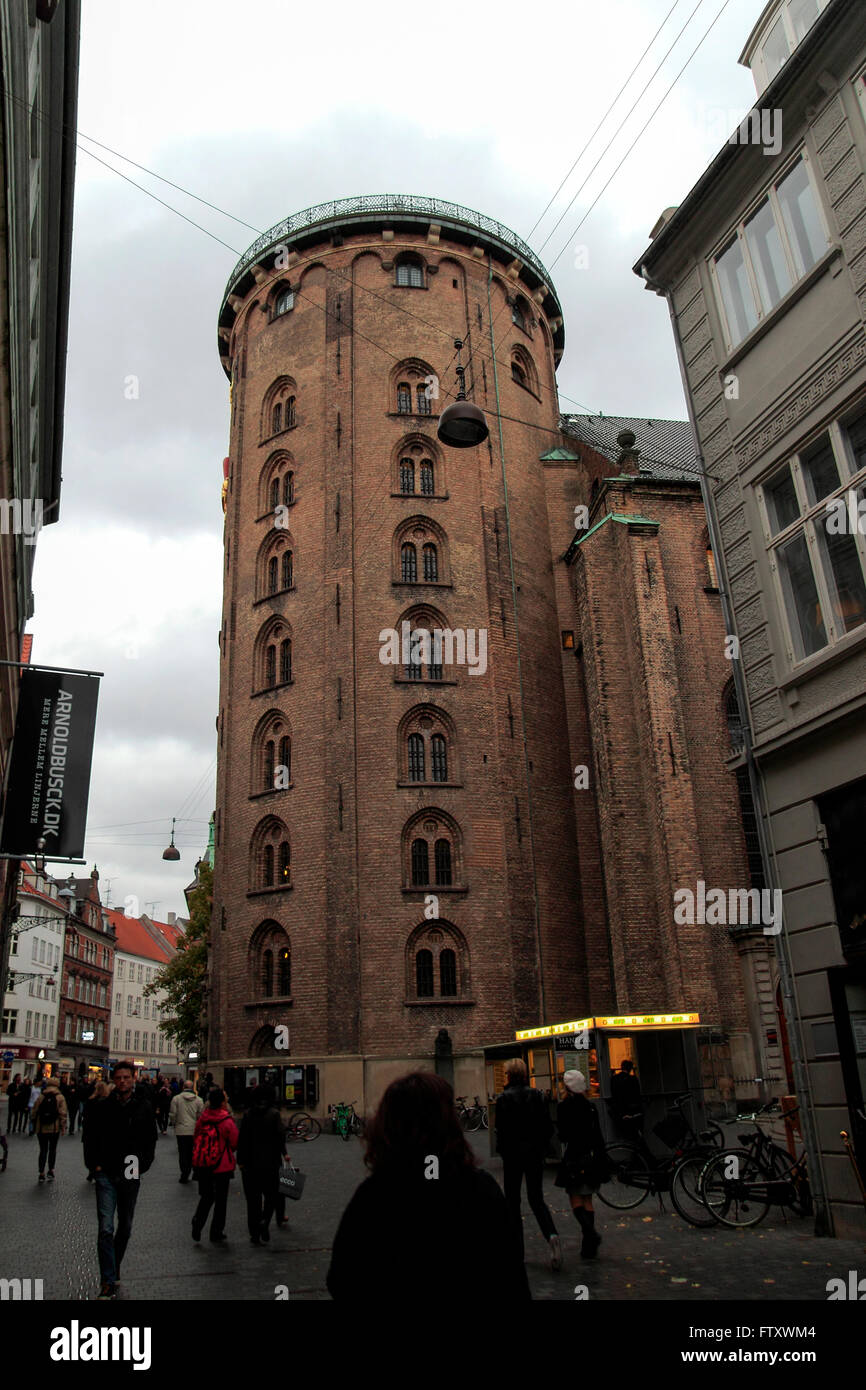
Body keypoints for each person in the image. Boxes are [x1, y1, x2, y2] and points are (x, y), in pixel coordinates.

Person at [327, 1072, 530, 1301]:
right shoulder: (479, 1190)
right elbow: (512, 1280)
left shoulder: (374, 1196)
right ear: (449, 1123)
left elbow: (341, 1279)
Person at [83, 1060, 157, 1300]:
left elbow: (149, 1140)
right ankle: (107, 1279)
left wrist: (141, 1165)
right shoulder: (102, 1107)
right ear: (113, 1080)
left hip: (130, 1173)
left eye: (127, 1077)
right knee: (106, 1228)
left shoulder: (143, 1107)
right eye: (119, 1078)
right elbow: (90, 1136)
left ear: (133, 1079)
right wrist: (94, 1166)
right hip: (105, 1171)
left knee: (124, 1227)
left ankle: (113, 1268)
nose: (123, 1081)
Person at [495, 1057, 561, 1270]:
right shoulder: (537, 1096)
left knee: (513, 1202)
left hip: (513, 1156)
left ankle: (518, 1251)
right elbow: (547, 1127)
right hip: (534, 1155)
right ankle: (551, 1235)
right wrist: (540, 1147)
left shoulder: (504, 1098)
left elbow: (501, 1131)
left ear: (508, 1074)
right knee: (537, 1198)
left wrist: (504, 1151)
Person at [554, 1070, 608, 1259]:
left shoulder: (564, 1108)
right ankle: (588, 1245)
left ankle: (590, 1234)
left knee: (575, 1198)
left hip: (573, 1157)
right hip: (590, 1157)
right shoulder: (590, 1107)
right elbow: (598, 1136)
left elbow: (563, 1135)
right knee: (588, 1200)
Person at [237, 1084, 285, 1244]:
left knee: (252, 1201)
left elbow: (242, 1140)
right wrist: (283, 1155)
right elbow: (280, 1137)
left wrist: (241, 1162)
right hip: (271, 1164)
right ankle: (265, 1221)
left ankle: (254, 1234)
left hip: (250, 1165)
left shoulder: (248, 1115)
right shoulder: (274, 1114)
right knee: (271, 1197)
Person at [191, 1087, 238, 1243]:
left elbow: (196, 1136)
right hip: (222, 1166)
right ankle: (216, 1231)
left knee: (206, 1197)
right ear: (223, 1102)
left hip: (203, 1165)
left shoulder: (203, 1118)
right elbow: (234, 1142)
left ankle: (198, 1223)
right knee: (221, 1200)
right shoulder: (226, 1120)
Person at [32, 1076, 68, 1181]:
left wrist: (34, 1122)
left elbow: (34, 1110)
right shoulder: (60, 1096)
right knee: (52, 1149)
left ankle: (41, 1172)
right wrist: (63, 1126)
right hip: (54, 1128)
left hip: (41, 1127)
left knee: (43, 1149)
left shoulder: (42, 1095)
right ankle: (51, 1170)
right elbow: (63, 1113)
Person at [169, 1080, 204, 1182]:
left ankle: (185, 1172)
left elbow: (172, 1114)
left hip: (181, 1130)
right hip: (194, 1130)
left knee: (183, 1152)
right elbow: (200, 1116)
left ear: (183, 1087)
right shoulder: (198, 1100)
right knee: (193, 1151)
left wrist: (175, 1123)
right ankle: (194, 1169)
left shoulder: (176, 1099)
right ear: (192, 1087)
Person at [610, 1059, 642, 1141]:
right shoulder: (633, 1079)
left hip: (618, 1111)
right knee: (635, 1134)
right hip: (631, 1110)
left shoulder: (614, 1079)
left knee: (623, 1134)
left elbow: (613, 1093)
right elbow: (637, 1095)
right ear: (630, 1069)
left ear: (621, 1067)